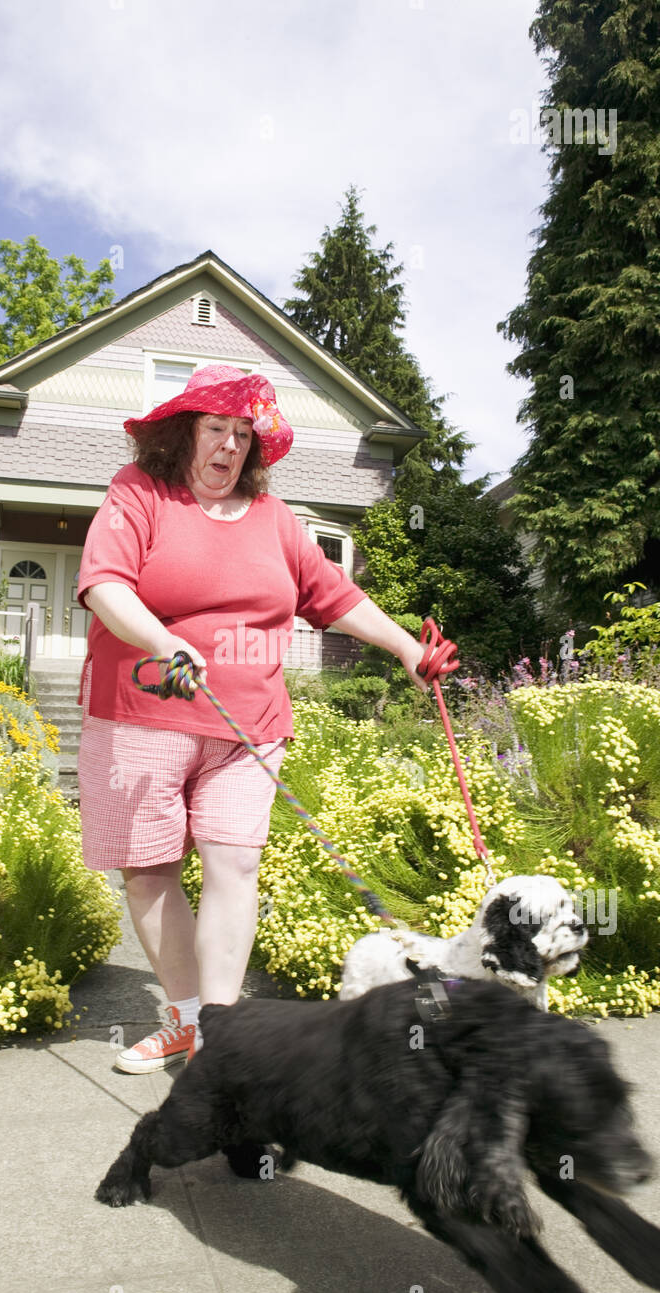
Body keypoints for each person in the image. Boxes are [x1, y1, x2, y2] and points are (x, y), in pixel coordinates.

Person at [76, 363, 430, 1073]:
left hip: (248, 725)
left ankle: (219, 1033)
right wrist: (163, 639)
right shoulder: (139, 493)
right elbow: (104, 583)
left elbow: (331, 595)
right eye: (216, 428)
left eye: (244, 434)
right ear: (183, 433)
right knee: (150, 871)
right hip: (143, 712)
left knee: (234, 863)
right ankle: (181, 1020)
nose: (231, 445)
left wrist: (404, 645)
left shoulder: (275, 519)